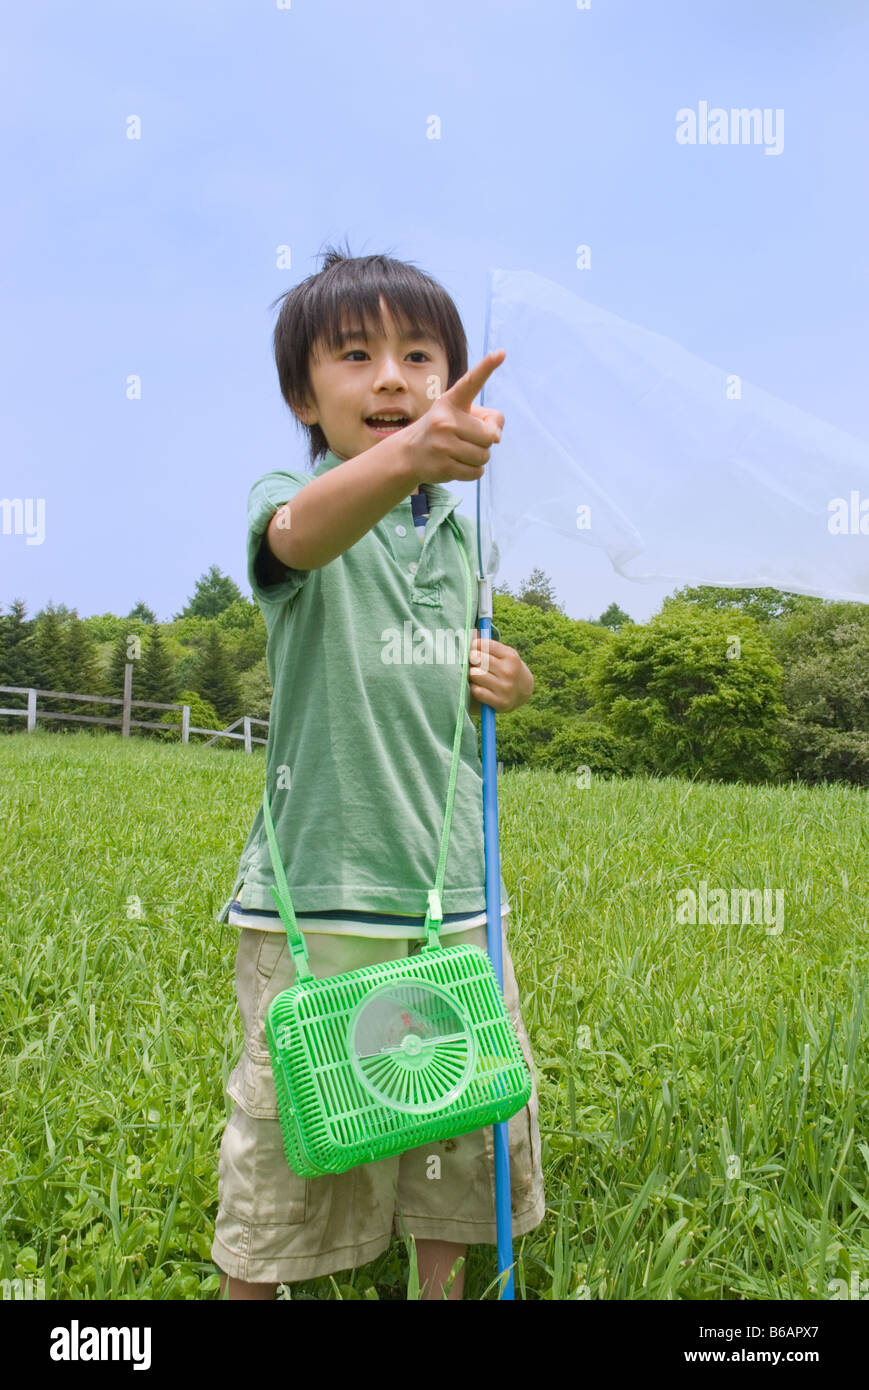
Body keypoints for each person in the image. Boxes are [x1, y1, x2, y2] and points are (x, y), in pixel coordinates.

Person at [210, 245, 546, 1300]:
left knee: (456, 1099)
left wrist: (510, 681)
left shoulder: (459, 535)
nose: (392, 379)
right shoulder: (297, 501)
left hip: (449, 887)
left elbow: (457, 682)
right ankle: (258, 1282)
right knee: (289, 1118)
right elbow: (298, 537)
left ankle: (438, 1285)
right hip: (319, 887)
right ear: (303, 395)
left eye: (417, 355)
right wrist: (406, 462)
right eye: (354, 356)